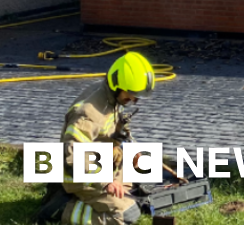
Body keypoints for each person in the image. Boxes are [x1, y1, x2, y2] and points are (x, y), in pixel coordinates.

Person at [39, 52, 156, 225]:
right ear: (117, 84)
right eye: (131, 95)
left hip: (104, 164)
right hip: (84, 176)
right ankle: (61, 209)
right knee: (127, 214)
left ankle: (89, 197)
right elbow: (72, 156)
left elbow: (115, 129)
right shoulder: (88, 114)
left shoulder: (110, 97)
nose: (133, 100)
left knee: (141, 182)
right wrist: (105, 182)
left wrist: (133, 151)